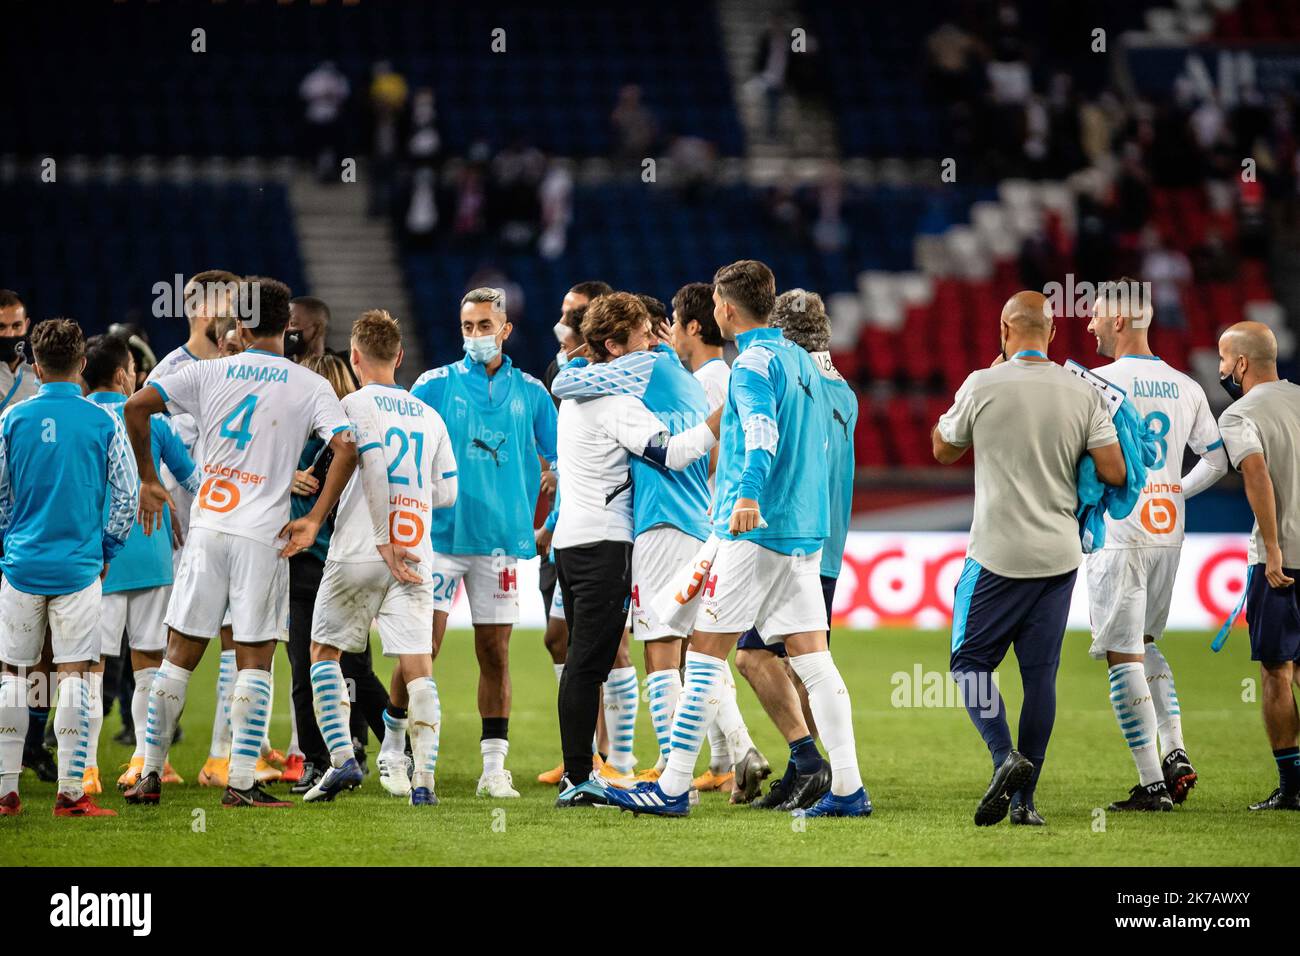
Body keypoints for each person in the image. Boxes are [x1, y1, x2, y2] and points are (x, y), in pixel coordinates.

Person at [604, 260, 868, 819]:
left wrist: (747, 493)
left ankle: (672, 787)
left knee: (703, 653)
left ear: (725, 308)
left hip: (754, 529)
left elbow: (762, 433)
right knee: (814, 662)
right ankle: (848, 788)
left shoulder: (751, 364)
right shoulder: (801, 361)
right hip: (804, 532)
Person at [122, 277, 357, 809]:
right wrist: (316, 519)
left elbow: (136, 407)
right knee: (255, 659)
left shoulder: (205, 371)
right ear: (286, 326)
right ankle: (241, 781)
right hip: (262, 536)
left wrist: (148, 479)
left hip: (207, 528)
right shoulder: (308, 384)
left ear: (243, 324)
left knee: (178, 656)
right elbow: (347, 447)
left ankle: (150, 773)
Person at [932, 291, 1126, 826]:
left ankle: (1003, 757)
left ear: (1003, 330)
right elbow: (1113, 471)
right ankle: (1025, 803)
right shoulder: (1082, 393)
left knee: (969, 664)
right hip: (1059, 555)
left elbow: (943, 449)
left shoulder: (982, 384)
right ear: (1052, 335)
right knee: (1040, 677)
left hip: (996, 552)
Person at [549, 293, 720, 807]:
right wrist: (719, 419)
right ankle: (579, 776)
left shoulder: (578, 395)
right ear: (612, 344)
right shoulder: (616, 404)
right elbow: (671, 453)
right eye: (644, 334)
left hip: (572, 541)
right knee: (589, 663)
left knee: (588, 661)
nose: (654, 341)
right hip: (603, 542)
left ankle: (587, 771)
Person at [1084, 281, 1227, 811]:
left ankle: (1150, 785)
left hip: (1118, 535)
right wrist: (1171, 488)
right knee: (1145, 642)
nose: (1090, 324)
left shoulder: (1094, 384)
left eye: (1096, 315)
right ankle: (1176, 751)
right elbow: (1215, 459)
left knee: (1122, 655)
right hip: (1169, 533)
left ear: (1119, 322)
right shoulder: (1186, 385)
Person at [409, 287, 558, 798]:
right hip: (440, 539)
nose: (475, 335)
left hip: (499, 545)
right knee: (419, 646)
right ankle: (393, 748)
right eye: (468, 327)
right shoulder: (432, 386)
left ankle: (494, 768)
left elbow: (565, 463)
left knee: (495, 653)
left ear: (505, 329)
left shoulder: (534, 394)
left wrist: (551, 522)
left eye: (484, 326)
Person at [306, 310, 456, 806]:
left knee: (324, 652)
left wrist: (379, 524)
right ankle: (425, 783)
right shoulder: (429, 416)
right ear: (400, 356)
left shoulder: (351, 403)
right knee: (419, 668)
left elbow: (361, 465)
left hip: (359, 547)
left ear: (354, 357)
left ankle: (342, 760)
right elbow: (448, 493)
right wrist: (410, 500)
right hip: (415, 551)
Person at [0, 319, 138, 817]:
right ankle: (71, 794)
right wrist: (106, 551)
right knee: (76, 677)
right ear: (82, 365)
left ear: (36, 367)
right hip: (80, 570)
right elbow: (127, 495)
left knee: (15, 675)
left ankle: (5, 792)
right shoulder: (103, 422)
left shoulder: (13, 419)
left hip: (21, 567)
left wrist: (9, 542)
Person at [741, 289, 857, 812]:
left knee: (764, 657)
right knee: (798, 660)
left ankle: (815, 768)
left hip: (788, 537)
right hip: (826, 540)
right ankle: (812, 769)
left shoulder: (791, 380)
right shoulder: (844, 390)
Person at [145, 269, 249, 789]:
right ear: (203, 311)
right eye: (230, 306)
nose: (236, 318)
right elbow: (138, 429)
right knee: (175, 645)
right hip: (185, 532)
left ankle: (221, 758)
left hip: (235, 528)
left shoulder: (241, 370)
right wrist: (149, 486)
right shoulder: (170, 373)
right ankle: (153, 759)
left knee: (237, 640)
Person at [81, 335, 197, 794]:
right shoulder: (155, 423)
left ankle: (85, 769)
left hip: (96, 560)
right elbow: (195, 479)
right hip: (151, 553)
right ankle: (143, 762)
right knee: (149, 662)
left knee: (88, 666)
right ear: (122, 374)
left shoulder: (83, 423)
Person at [666, 280, 764, 796]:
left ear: (693, 327)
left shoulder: (707, 382)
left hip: (706, 523)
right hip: (718, 523)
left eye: (676, 324)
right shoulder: (726, 375)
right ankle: (726, 759)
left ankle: (737, 751)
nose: (672, 335)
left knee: (697, 647)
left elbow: (710, 456)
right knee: (708, 647)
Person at [289, 352, 397, 795]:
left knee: (308, 663)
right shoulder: (350, 438)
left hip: (315, 560)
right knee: (354, 665)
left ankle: (321, 760)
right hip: (343, 558)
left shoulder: (317, 443)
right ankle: (388, 748)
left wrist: (285, 479)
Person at [1216, 320, 1300, 811]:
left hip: (1280, 561)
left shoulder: (1239, 414)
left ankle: (1291, 788)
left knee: (1277, 670)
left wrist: (1272, 547)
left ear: (1242, 364)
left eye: (1225, 361)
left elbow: (1257, 473)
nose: (1222, 369)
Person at [0, 290, 39, 414]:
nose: (10, 334)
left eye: (16, 326)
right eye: (1, 327)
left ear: (26, 325)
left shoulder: (39, 378)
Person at [288, 296, 330, 362]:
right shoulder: (279, 368)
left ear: (317, 328)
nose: (285, 329)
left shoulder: (340, 368)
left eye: (292, 323)